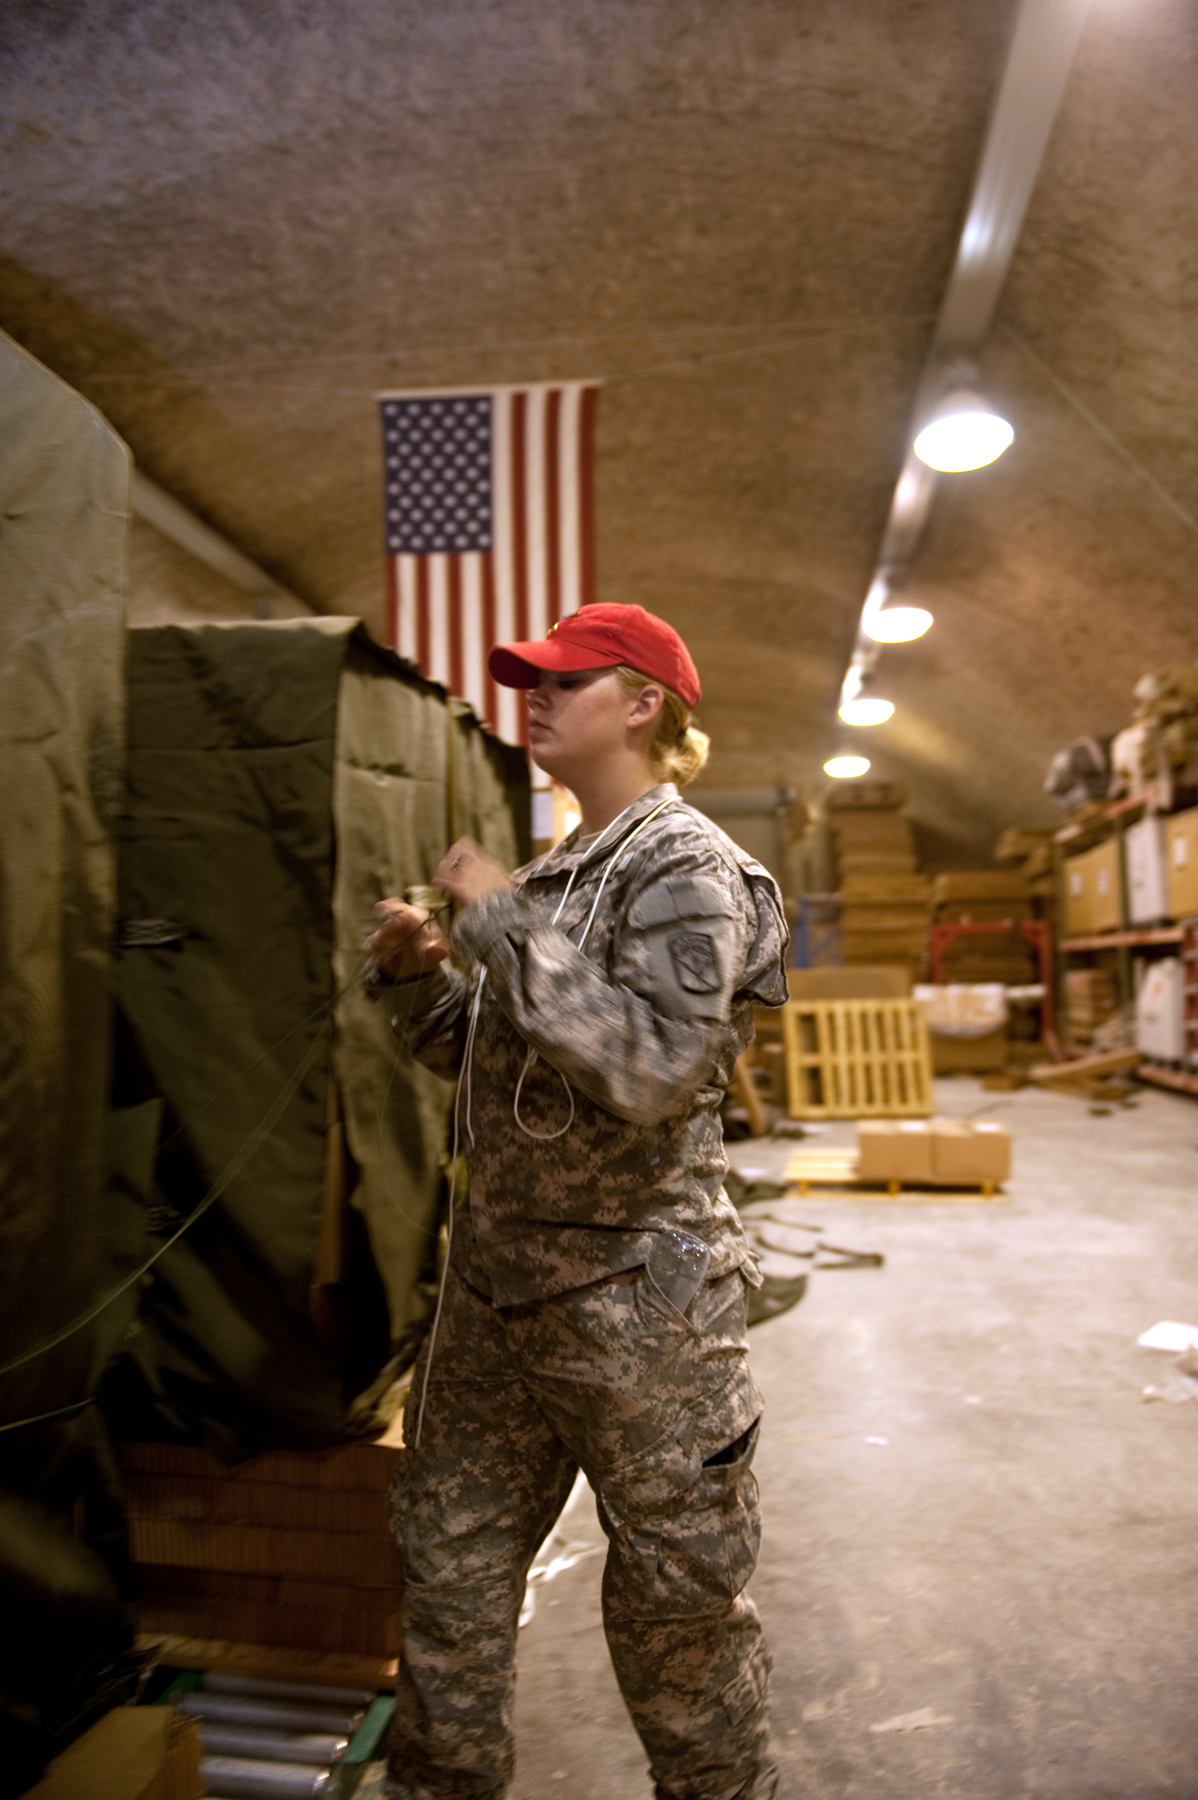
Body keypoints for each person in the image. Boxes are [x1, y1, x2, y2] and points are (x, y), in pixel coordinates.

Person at [366, 603, 788, 1800]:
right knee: (446, 1582)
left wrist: (498, 921)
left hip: (634, 1317)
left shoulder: (686, 867)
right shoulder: (554, 872)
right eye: (530, 681)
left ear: (645, 705)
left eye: (565, 680)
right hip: (497, 1304)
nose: (534, 698)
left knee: (676, 1621)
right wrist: (416, 985)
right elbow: (510, 1079)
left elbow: (649, 1069)